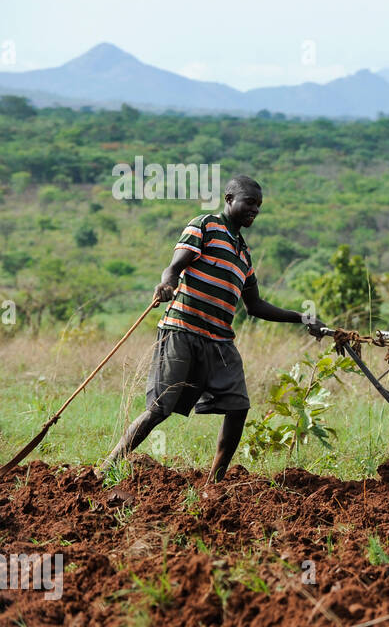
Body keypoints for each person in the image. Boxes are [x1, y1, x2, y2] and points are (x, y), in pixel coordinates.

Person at [97, 175, 324, 482]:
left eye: (259, 205)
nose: (254, 210)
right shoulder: (204, 226)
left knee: (239, 407)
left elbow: (255, 306)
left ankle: (214, 482)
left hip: (218, 340)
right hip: (182, 330)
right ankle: (108, 467)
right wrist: (166, 282)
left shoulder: (244, 255)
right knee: (160, 408)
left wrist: (302, 318)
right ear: (229, 199)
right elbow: (175, 266)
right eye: (249, 202)